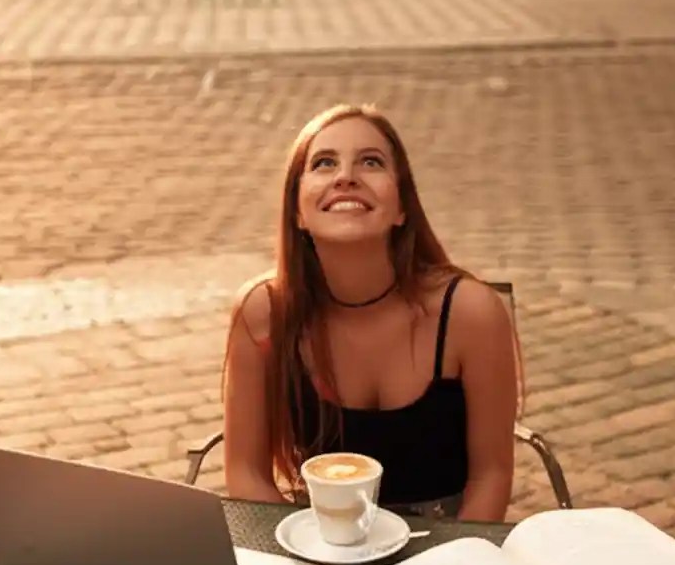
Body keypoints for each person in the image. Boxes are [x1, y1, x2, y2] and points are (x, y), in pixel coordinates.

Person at [221, 104, 520, 522]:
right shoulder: (263, 311)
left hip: (447, 544)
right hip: (318, 541)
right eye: (324, 163)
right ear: (297, 213)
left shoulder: (470, 313)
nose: (346, 176)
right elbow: (246, 473)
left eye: (371, 162)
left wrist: (456, 562)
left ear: (402, 208)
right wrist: (297, 555)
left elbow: (490, 477)